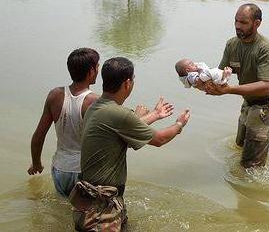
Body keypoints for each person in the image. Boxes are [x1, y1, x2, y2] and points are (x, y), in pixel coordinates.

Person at [71, 57, 190, 231]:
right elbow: (160, 139)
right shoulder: (119, 114)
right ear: (127, 83)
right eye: (133, 79)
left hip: (93, 199)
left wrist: (154, 114)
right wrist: (179, 124)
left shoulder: (96, 107)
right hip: (101, 207)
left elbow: (121, 133)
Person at [204, 4, 269, 168]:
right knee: (240, 145)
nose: (238, 26)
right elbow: (220, 74)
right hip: (248, 104)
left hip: (266, 108)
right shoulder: (232, 45)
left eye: (244, 22)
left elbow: (267, 86)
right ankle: (263, 151)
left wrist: (229, 90)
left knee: (250, 166)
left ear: (257, 23)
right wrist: (200, 79)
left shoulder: (266, 49)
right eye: (236, 21)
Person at [27, 48, 100, 197]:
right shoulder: (94, 101)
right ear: (91, 71)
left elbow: (38, 135)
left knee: (62, 209)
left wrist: (36, 163)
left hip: (60, 169)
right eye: (97, 66)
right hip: (83, 171)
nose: (98, 69)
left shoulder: (55, 95)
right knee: (84, 215)